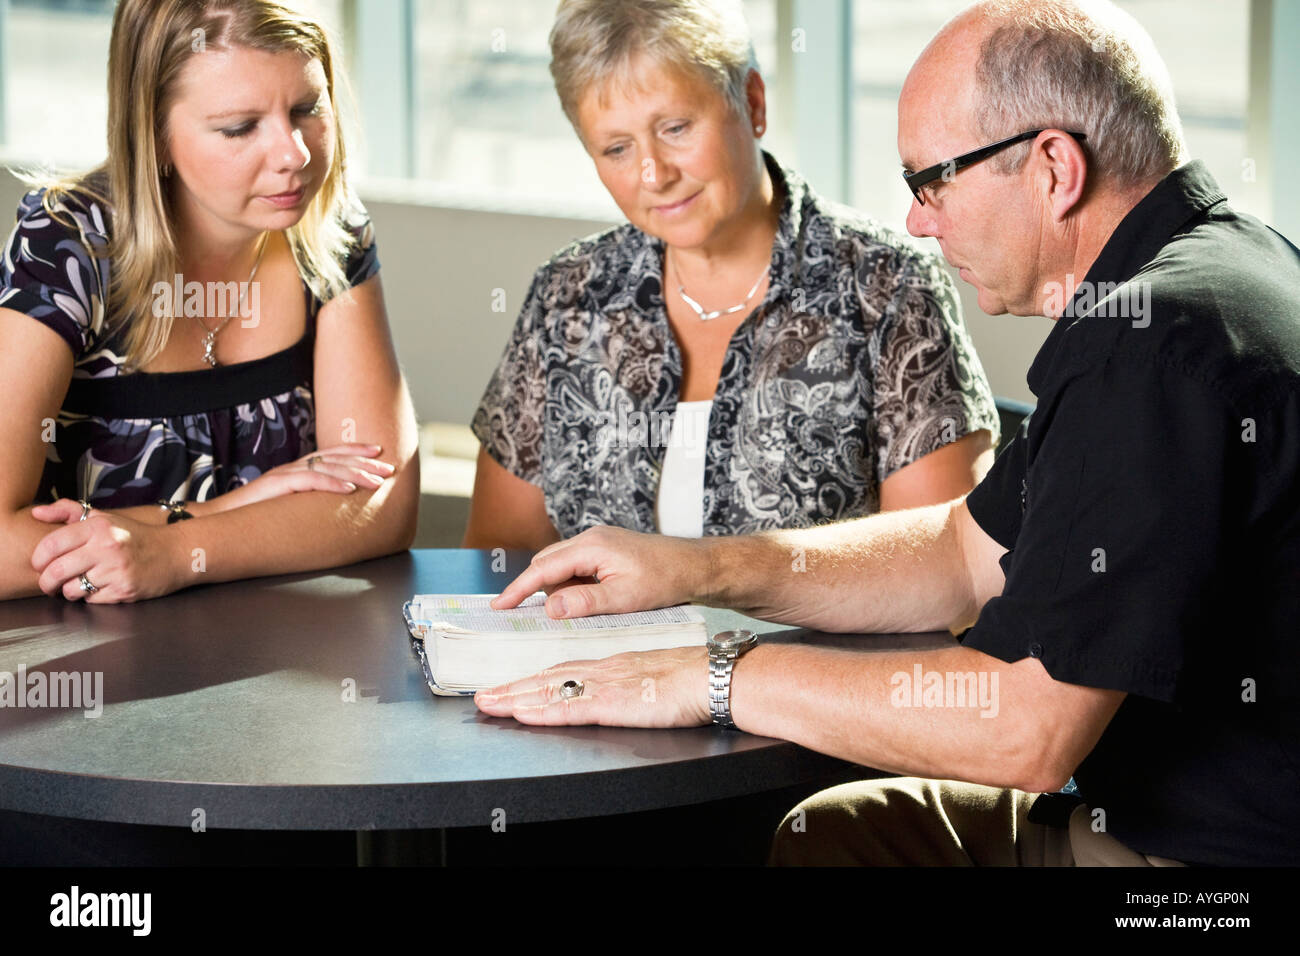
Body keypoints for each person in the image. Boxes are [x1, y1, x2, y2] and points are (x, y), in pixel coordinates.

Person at [473, 0, 1300, 867]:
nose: (920, 219)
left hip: (1204, 880)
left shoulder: (1150, 347)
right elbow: (961, 553)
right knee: (834, 837)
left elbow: (1027, 732)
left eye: (933, 180)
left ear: (1055, 166)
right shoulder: (1224, 270)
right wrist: (698, 569)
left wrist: (711, 675)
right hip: (1163, 822)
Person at [464, 0, 999, 550]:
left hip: (810, 642)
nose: (655, 175)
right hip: (593, 640)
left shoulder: (888, 286)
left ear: (753, 103)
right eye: (617, 148)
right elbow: (499, 562)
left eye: (675, 128)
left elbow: (941, 566)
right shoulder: (566, 294)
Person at [0, 0, 419, 603]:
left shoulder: (331, 231)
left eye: (307, 108)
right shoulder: (69, 243)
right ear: (155, 135)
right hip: (93, 669)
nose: (294, 155)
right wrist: (239, 508)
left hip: (277, 661)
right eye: (239, 127)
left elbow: (384, 505)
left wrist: (172, 554)